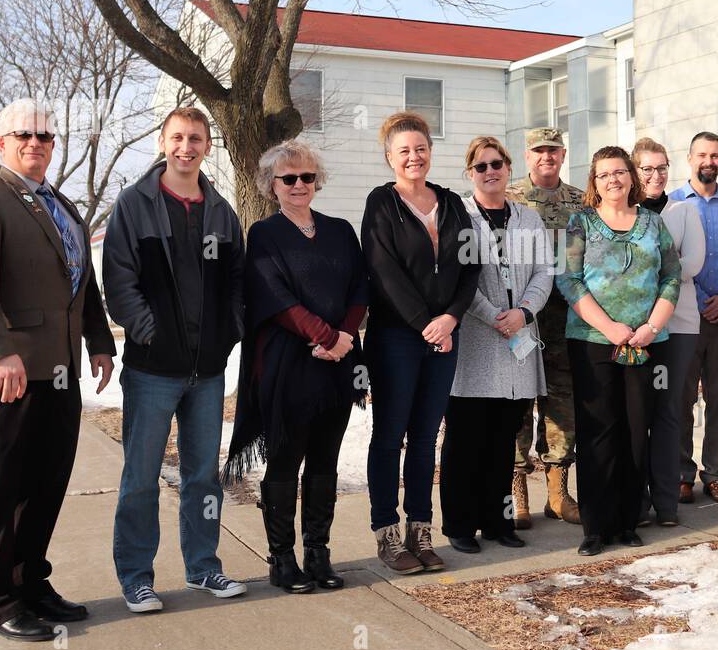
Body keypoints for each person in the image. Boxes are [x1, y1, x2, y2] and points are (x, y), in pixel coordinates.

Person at [0, 98, 115, 641]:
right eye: (23, 135)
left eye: (44, 137)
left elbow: (80, 283)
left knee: (45, 484)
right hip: (4, 373)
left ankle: (29, 582)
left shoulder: (62, 204)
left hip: (58, 370)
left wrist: (99, 342)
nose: (35, 144)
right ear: (2, 143)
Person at [102, 106, 247, 613]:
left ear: (208, 146)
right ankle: (137, 577)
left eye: (197, 139)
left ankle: (204, 568)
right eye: (179, 138)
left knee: (203, 476)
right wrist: (150, 333)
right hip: (151, 370)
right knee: (140, 476)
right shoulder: (134, 205)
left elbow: (236, 285)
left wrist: (227, 335)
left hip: (206, 372)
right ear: (163, 142)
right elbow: (119, 283)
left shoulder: (220, 211)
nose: (187, 147)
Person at [225, 140, 367, 593]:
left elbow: (360, 289)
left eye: (307, 177)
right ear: (272, 185)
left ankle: (318, 554)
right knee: (286, 460)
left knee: (326, 460)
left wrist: (344, 338)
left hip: (339, 364)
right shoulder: (264, 235)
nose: (300, 185)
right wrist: (324, 337)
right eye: (289, 179)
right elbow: (274, 297)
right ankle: (282, 560)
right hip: (289, 363)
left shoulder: (341, 230)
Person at [361, 111, 479, 574]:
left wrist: (450, 318)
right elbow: (383, 271)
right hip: (395, 337)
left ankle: (421, 531)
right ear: (390, 156)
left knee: (427, 437)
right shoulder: (381, 203)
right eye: (404, 150)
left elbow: (471, 266)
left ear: (431, 152)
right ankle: (388, 535)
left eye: (421, 148)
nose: (414, 157)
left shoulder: (451, 203)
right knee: (390, 437)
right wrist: (423, 324)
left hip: (445, 336)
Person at [558, 146, 681, 556]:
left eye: (619, 172)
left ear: (632, 177)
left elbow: (671, 278)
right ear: (594, 182)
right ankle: (596, 525)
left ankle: (628, 520)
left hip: (644, 345)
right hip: (594, 341)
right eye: (603, 174)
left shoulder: (652, 223)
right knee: (598, 431)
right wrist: (610, 327)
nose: (613, 180)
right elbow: (569, 281)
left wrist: (651, 327)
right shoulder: (581, 223)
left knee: (634, 428)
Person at [441, 137, 554, 552]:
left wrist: (523, 313)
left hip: (518, 342)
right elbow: (455, 280)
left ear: (508, 168)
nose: (490, 172)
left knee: (503, 442)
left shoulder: (529, 220)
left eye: (496, 164)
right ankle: (459, 525)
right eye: (481, 166)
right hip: (475, 343)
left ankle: (497, 522)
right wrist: (494, 316)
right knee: (465, 441)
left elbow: (545, 272)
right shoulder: (459, 218)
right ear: (470, 173)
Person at [505, 127, 584, 528]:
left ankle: (558, 491)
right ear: (527, 155)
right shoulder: (510, 197)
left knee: (561, 398)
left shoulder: (581, 201)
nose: (546, 156)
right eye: (539, 150)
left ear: (563, 154)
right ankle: (517, 491)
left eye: (553, 150)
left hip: (565, 317)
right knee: (519, 398)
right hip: (522, 314)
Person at [669, 132, 718, 502]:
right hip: (685, 318)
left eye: (715, 155)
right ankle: (682, 473)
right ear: (689, 158)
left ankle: (716, 473)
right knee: (681, 399)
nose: (708, 161)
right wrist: (701, 300)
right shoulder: (672, 205)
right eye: (702, 154)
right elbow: (671, 260)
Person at [634, 137, 705, 525]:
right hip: (632, 328)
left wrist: (640, 272)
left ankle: (666, 500)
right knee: (636, 411)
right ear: (634, 170)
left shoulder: (684, 212)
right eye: (647, 168)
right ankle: (637, 496)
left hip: (677, 325)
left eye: (662, 167)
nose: (656, 175)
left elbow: (691, 265)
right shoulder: (623, 212)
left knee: (670, 410)